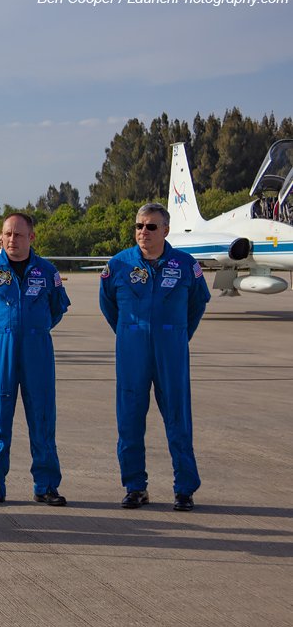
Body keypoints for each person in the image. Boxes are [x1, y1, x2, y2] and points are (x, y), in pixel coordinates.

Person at [100, 203, 210, 511]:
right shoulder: (119, 265)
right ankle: (135, 487)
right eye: (138, 226)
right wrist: (129, 332)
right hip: (132, 351)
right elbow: (108, 305)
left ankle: (184, 489)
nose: (142, 232)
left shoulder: (186, 265)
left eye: (150, 227)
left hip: (171, 349)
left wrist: (176, 334)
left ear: (165, 230)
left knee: (178, 418)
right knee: (130, 420)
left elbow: (197, 304)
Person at [0, 213, 70, 506]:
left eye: (18, 235)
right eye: (7, 234)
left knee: (42, 417)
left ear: (31, 238)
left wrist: (32, 329)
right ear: (1, 237)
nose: (12, 240)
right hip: (1, 347)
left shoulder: (47, 271)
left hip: (37, 348)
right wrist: (3, 331)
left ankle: (46, 485)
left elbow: (56, 309)